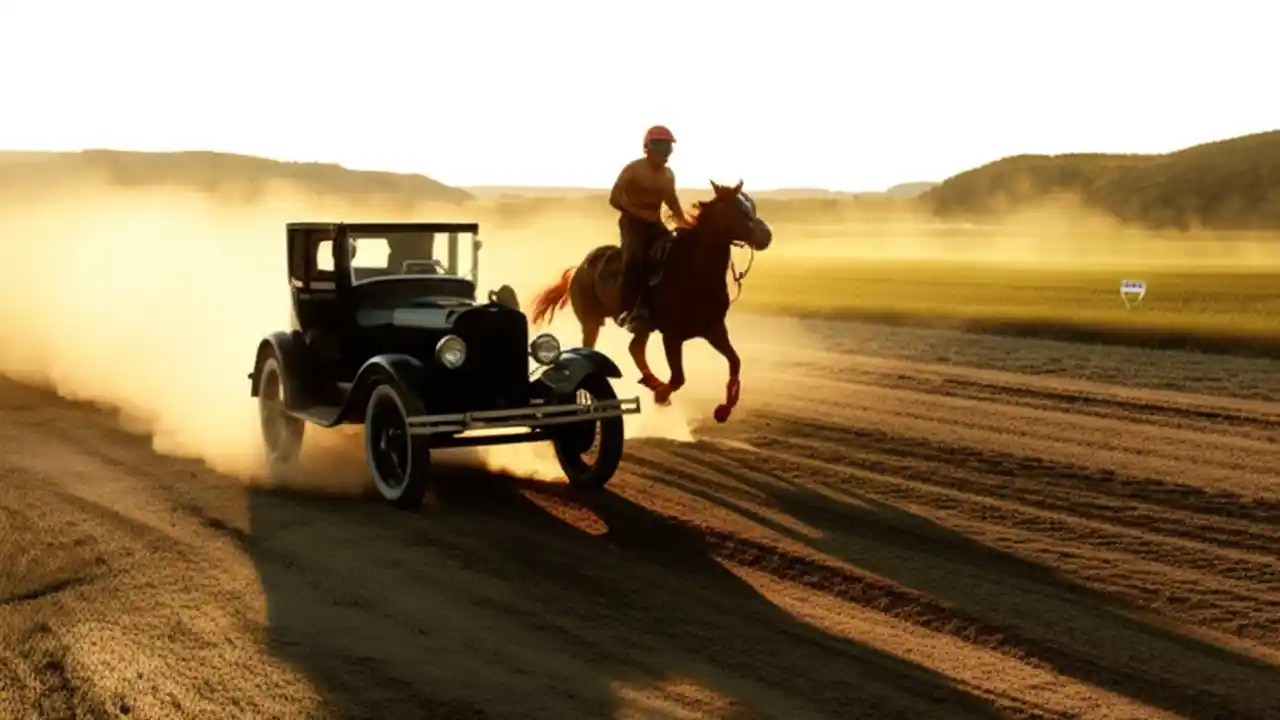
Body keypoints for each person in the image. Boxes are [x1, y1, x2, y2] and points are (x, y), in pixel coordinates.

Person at [609, 124, 692, 330]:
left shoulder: (668, 175)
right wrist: (637, 212)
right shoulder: (633, 169)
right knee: (635, 258)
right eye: (660, 147)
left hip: (655, 223)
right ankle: (627, 310)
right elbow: (614, 199)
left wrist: (685, 223)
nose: (665, 153)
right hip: (632, 223)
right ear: (648, 147)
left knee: (674, 253)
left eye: (668, 148)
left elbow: (671, 200)